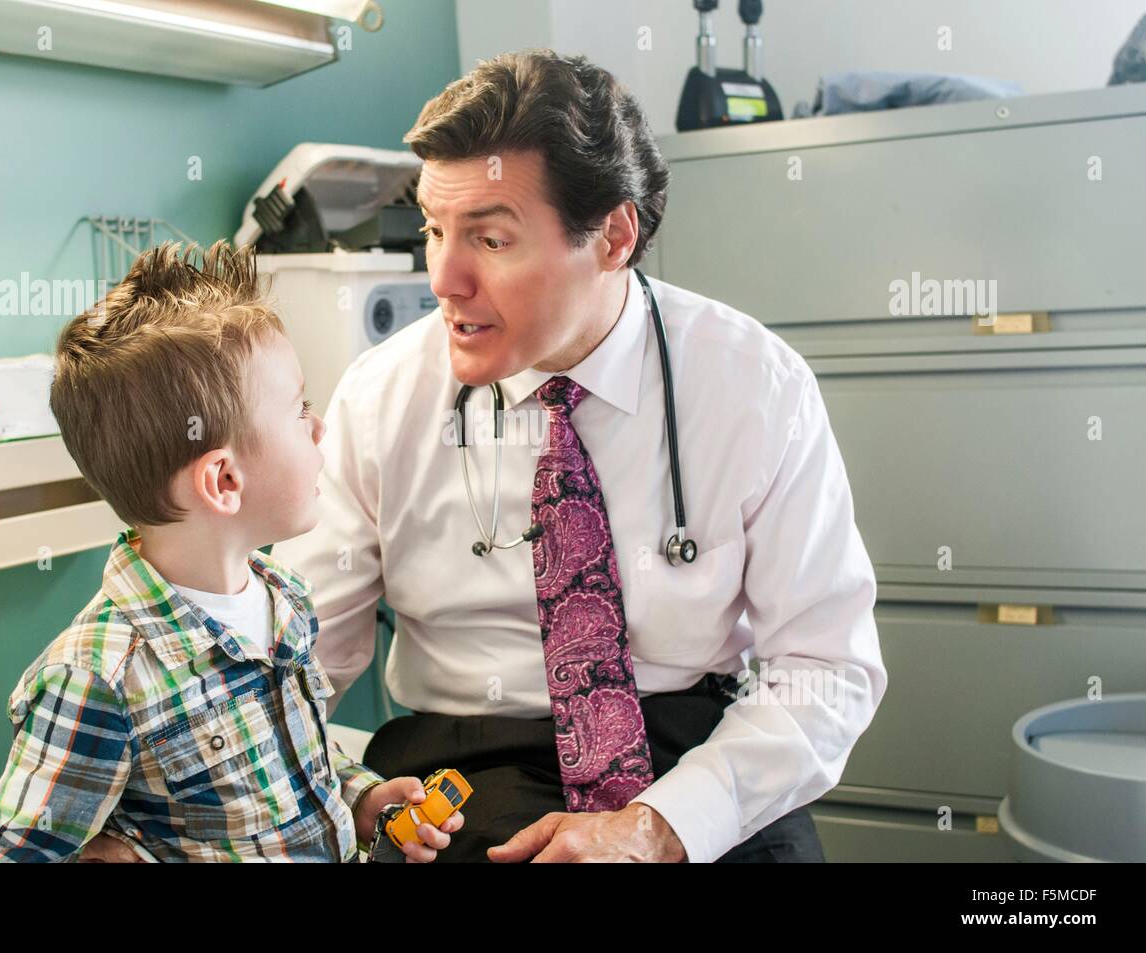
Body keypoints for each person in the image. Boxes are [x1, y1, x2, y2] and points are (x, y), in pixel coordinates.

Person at [268, 49, 888, 863]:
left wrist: (661, 825)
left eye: (489, 237)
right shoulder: (381, 397)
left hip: (696, 755)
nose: (445, 278)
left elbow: (826, 666)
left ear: (614, 237)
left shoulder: (754, 386)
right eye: (433, 229)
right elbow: (293, 665)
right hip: (461, 771)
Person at [0, 241, 461, 862]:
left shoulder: (284, 598)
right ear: (224, 480)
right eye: (299, 409)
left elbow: (291, 760)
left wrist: (361, 798)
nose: (320, 427)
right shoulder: (97, 678)